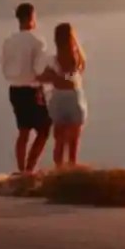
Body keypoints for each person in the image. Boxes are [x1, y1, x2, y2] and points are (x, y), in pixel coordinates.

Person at [0, 3, 51, 173]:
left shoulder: (9, 41)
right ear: (31, 17)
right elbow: (39, 70)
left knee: (23, 131)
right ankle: (30, 168)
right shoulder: (37, 41)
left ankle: (22, 169)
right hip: (32, 90)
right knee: (44, 130)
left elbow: (4, 65)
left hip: (14, 89)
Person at [39, 22, 88, 169]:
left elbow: (41, 77)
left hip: (58, 99)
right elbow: (72, 76)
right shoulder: (78, 58)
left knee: (59, 141)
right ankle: (71, 172)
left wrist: (55, 78)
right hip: (75, 98)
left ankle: (58, 171)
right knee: (74, 143)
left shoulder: (52, 60)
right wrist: (62, 78)